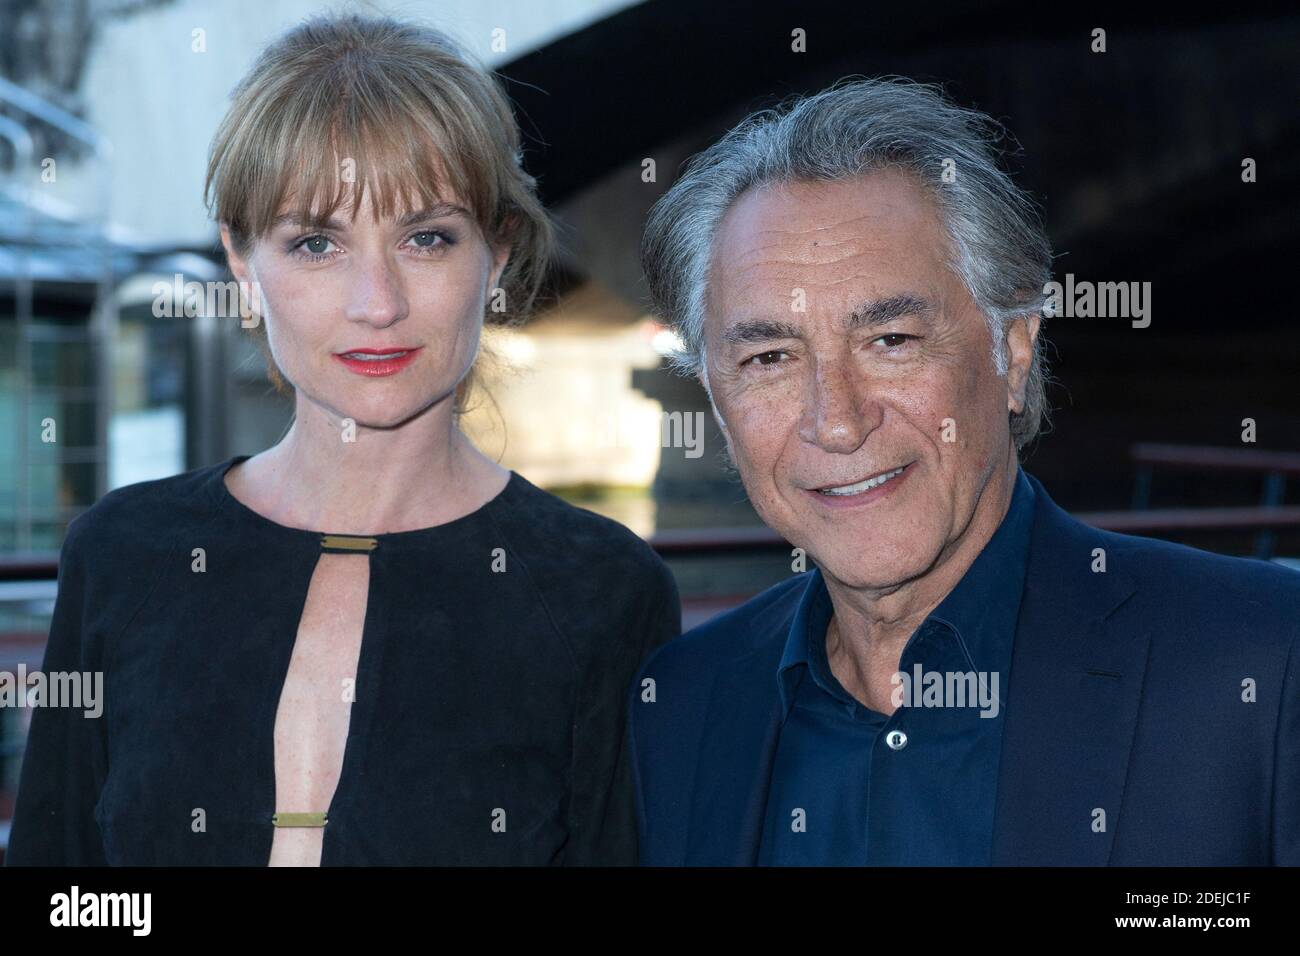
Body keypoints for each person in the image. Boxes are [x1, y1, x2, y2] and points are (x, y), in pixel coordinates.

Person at [6, 12, 679, 866]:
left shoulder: (603, 591)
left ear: (497, 255)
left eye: (426, 237)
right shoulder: (122, 555)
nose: (377, 301)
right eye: (316, 243)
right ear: (244, 264)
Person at [628, 77, 1299, 865]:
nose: (837, 422)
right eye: (770, 357)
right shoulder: (678, 707)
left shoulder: (1263, 663)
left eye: (892, 341)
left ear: (1012, 355)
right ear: (713, 392)